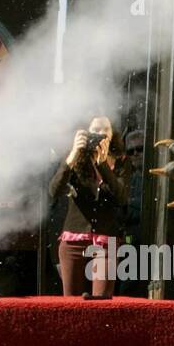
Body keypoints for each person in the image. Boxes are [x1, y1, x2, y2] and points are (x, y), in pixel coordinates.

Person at [49, 116, 131, 297]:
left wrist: (102, 165)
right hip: (74, 240)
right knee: (72, 304)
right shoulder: (75, 160)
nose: (99, 134)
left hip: (106, 241)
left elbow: (122, 197)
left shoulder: (121, 162)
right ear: (85, 133)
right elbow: (54, 191)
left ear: (112, 135)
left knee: (101, 303)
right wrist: (72, 156)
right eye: (95, 129)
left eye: (105, 130)